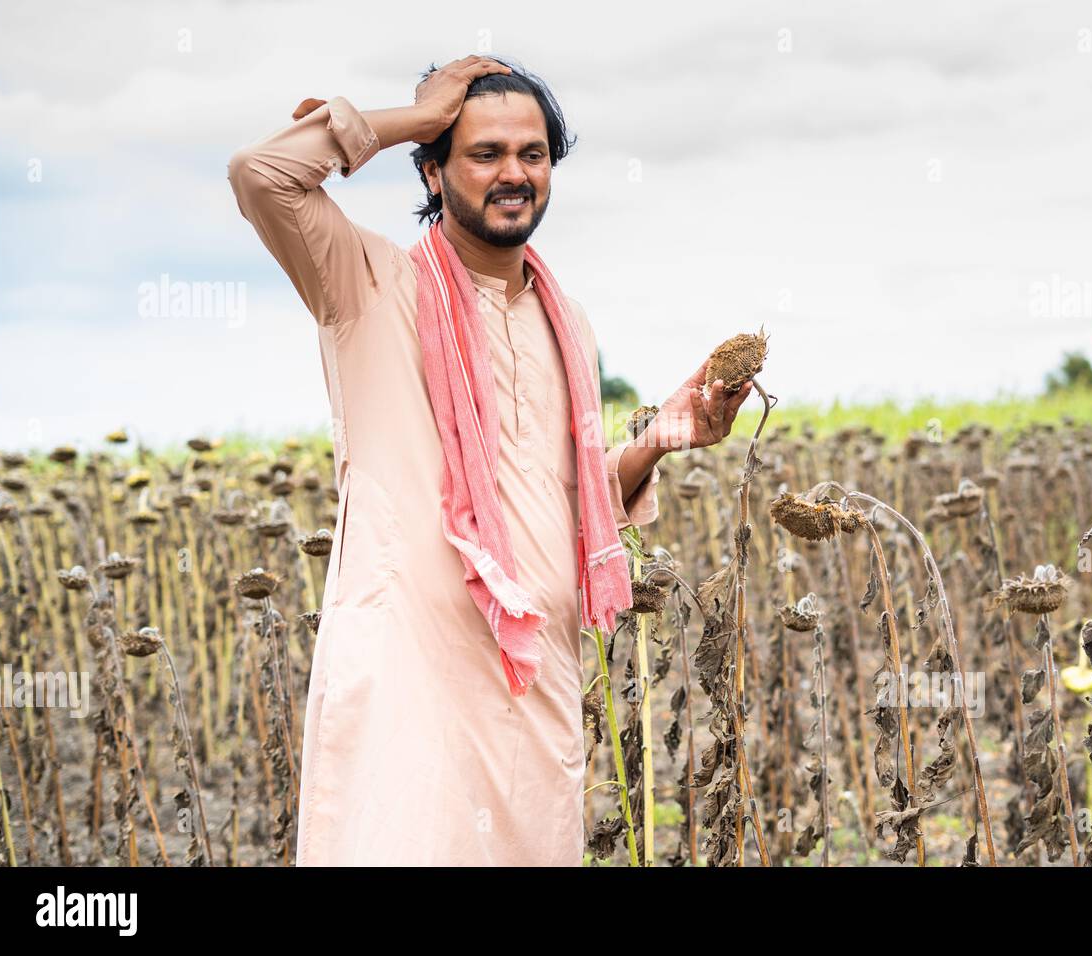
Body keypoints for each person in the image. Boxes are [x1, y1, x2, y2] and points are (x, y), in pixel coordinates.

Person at [226, 54, 752, 865]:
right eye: (484, 153)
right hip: (413, 680)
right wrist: (418, 114)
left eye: (532, 154)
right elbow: (262, 174)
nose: (514, 174)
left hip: (532, 682)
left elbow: (559, 505)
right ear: (433, 171)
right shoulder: (366, 283)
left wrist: (662, 436)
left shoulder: (564, 318)